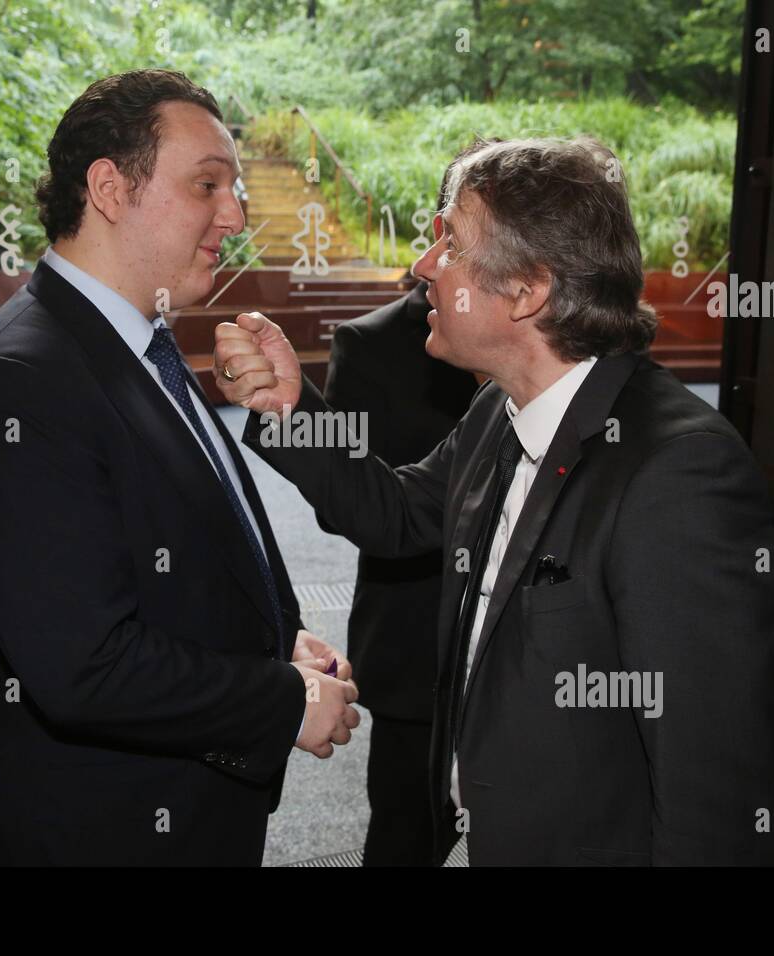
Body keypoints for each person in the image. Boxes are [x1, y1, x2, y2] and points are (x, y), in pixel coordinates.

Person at [213, 136, 774, 865]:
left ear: (528, 290)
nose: (424, 268)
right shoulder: (500, 409)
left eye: (450, 245)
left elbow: (720, 792)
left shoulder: (680, 474)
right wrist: (290, 409)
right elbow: (398, 515)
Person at [0, 69, 359, 866]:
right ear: (108, 188)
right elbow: (82, 665)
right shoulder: (21, 380)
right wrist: (282, 699)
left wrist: (270, 641)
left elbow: (159, 561)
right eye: (207, 185)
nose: (234, 216)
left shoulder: (140, 343)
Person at [321, 156, 480, 866]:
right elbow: (355, 508)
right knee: (406, 838)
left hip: (539, 652)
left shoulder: (559, 352)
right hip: (419, 645)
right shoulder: (370, 344)